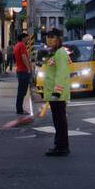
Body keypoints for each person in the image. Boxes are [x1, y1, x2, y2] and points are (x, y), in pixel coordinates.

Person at [40, 29, 70, 157]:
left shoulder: (60, 53)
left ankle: (62, 147)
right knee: (58, 120)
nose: (49, 39)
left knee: (60, 121)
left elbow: (61, 73)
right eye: (48, 37)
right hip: (53, 93)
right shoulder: (55, 53)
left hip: (57, 94)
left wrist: (57, 92)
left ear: (58, 39)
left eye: (52, 37)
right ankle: (60, 145)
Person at [12, 33, 33, 116]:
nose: (27, 40)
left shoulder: (17, 45)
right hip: (23, 71)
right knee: (22, 91)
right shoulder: (22, 46)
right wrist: (28, 68)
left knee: (21, 91)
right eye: (26, 38)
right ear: (23, 38)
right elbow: (24, 57)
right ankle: (19, 109)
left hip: (20, 70)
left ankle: (19, 108)